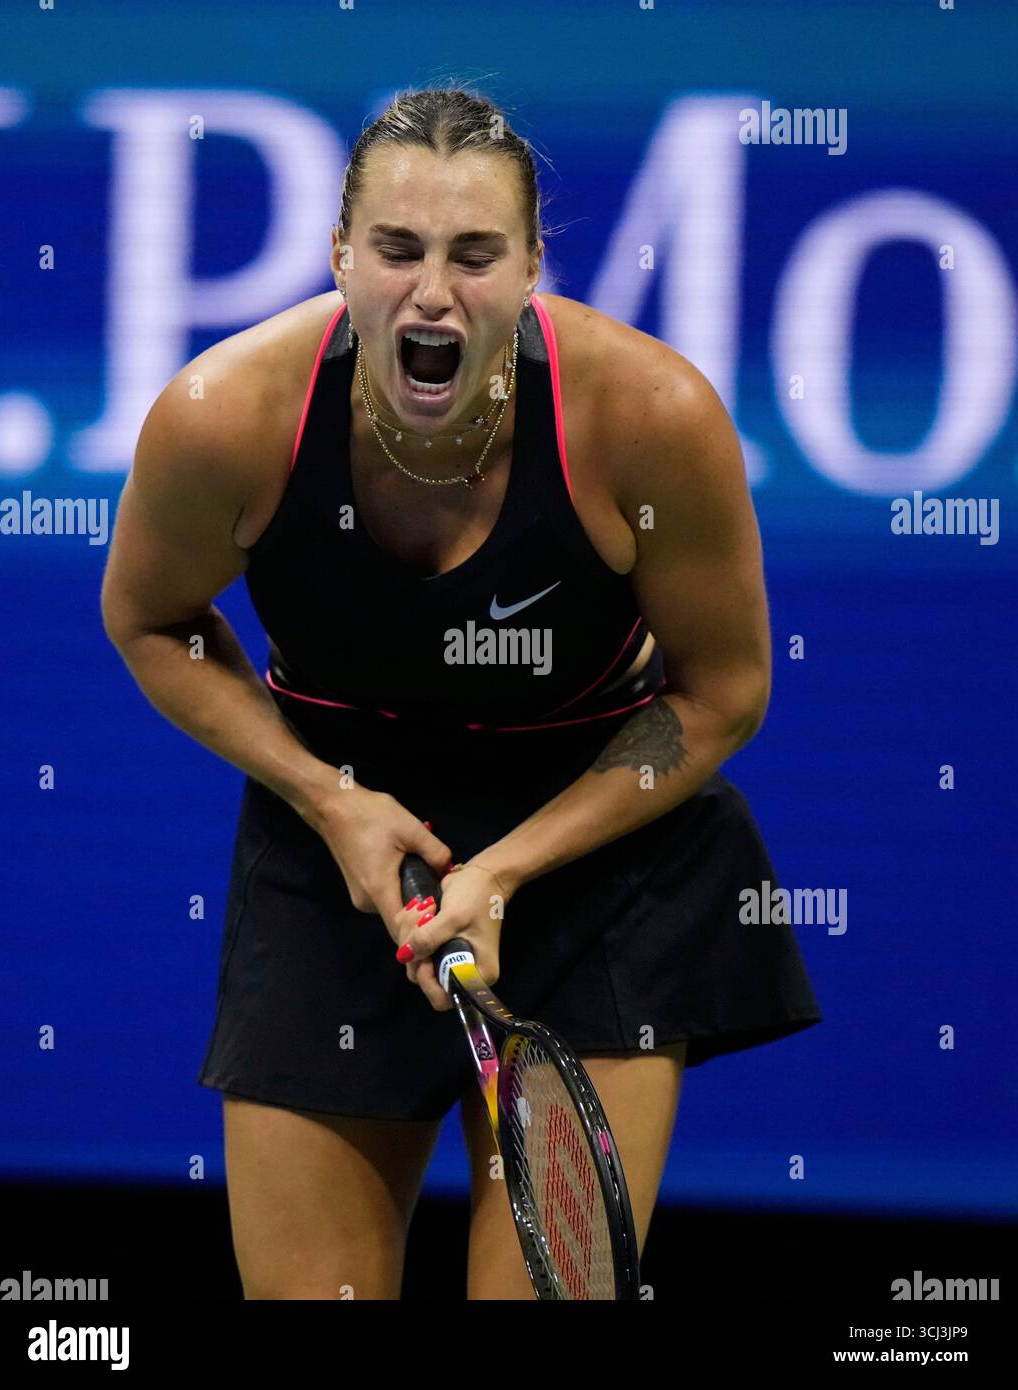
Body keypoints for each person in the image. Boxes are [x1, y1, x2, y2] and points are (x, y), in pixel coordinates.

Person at [100, 85, 821, 1300]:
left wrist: (505, 869)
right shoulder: (224, 419)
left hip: (598, 856)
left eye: (474, 254)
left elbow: (720, 696)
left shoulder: (647, 419)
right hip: (335, 852)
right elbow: (148, 620)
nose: (432, 292)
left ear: (534, 261)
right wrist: (329, 800)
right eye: (396, 249)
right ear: (338, 255)